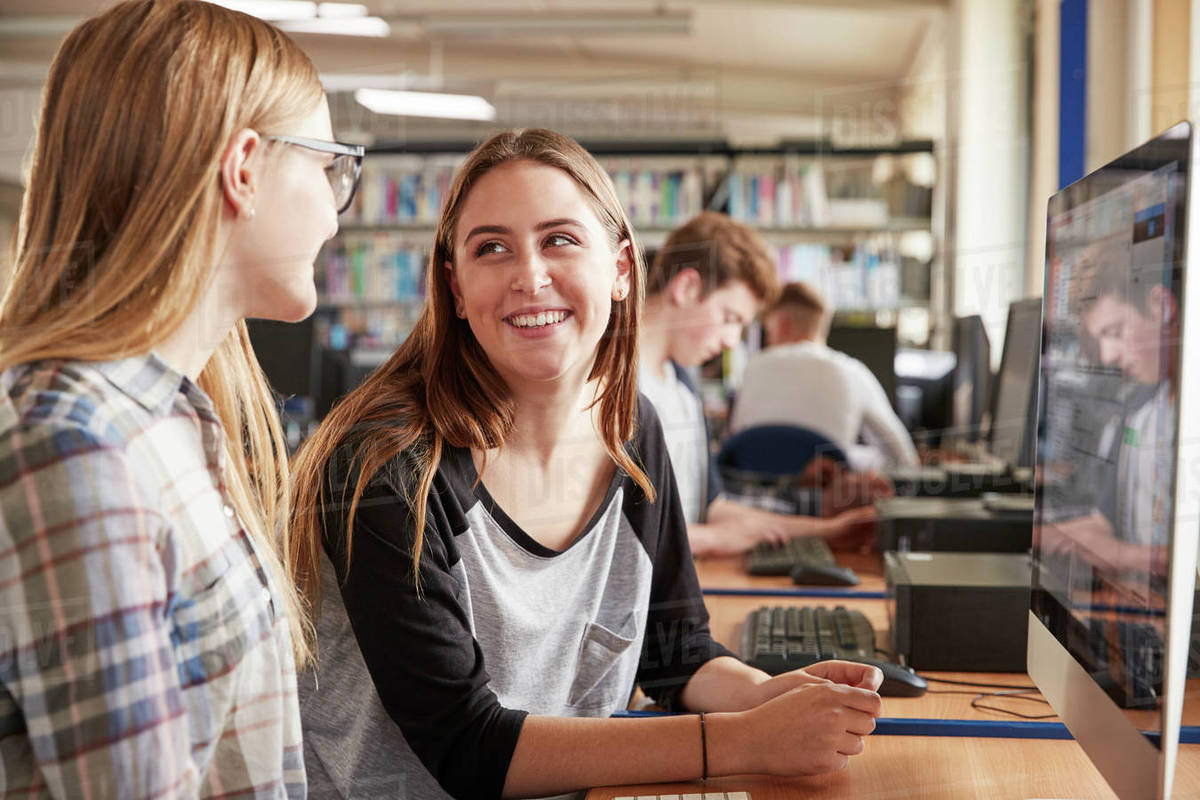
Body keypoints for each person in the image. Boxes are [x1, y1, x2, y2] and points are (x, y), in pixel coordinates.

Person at [288, 129, 883, 799]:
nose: (528, 275)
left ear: (623, 268)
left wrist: (767, 696)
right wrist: (745, 740)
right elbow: (465, 745)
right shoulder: (390, 464)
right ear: (455, 289)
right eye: (492, 248)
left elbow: (675, 652)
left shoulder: (631, 429)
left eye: (560, 240)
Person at [0, 1, 361, 795]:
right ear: (244, 167)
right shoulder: (76, 442)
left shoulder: (178, 415)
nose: (337, 219)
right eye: (329, 166)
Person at [639, 212, 888, 557]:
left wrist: (828, 532)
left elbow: (714, 509)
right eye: (729, 318)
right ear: (686, 288)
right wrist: (717, 539)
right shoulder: (608, 384)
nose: (731, 341)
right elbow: (619, 538)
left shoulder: (681, 384)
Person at [730, 281, 919, 471]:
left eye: (768, 331)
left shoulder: (753, 366)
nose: (768, 340)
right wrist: (846, 457)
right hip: (824, 496)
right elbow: (903, 457)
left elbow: (735, 445)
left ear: (782, 325)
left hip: (746, 496)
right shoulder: (853, 372)